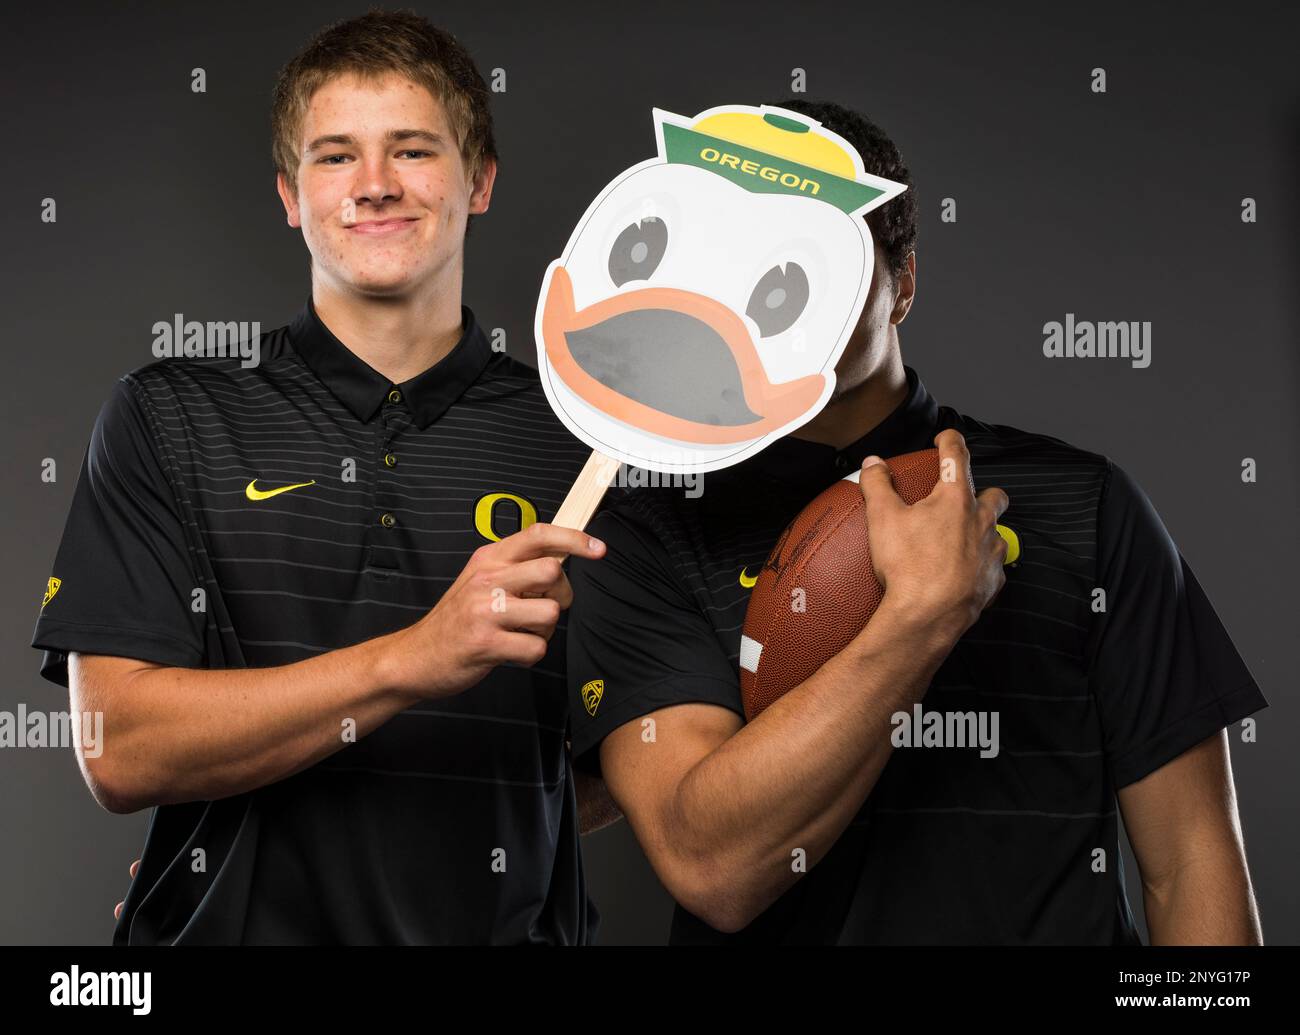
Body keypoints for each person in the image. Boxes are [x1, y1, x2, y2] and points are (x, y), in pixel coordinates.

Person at [566, 99, 1268, 945]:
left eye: (814, 261)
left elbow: (1189, 859)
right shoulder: (649, 529)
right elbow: (713, 866)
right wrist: (918, 621)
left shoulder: (1084, 504)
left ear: (902, 282)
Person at [32, 9, 617, 945]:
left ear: (481, 181)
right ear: (289, 195)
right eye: (336, 156)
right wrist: (412, 659)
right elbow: (119, 749)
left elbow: (613, 755)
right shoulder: (169, 414)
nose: (376, 186)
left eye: (414, 151)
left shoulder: (584, 435)